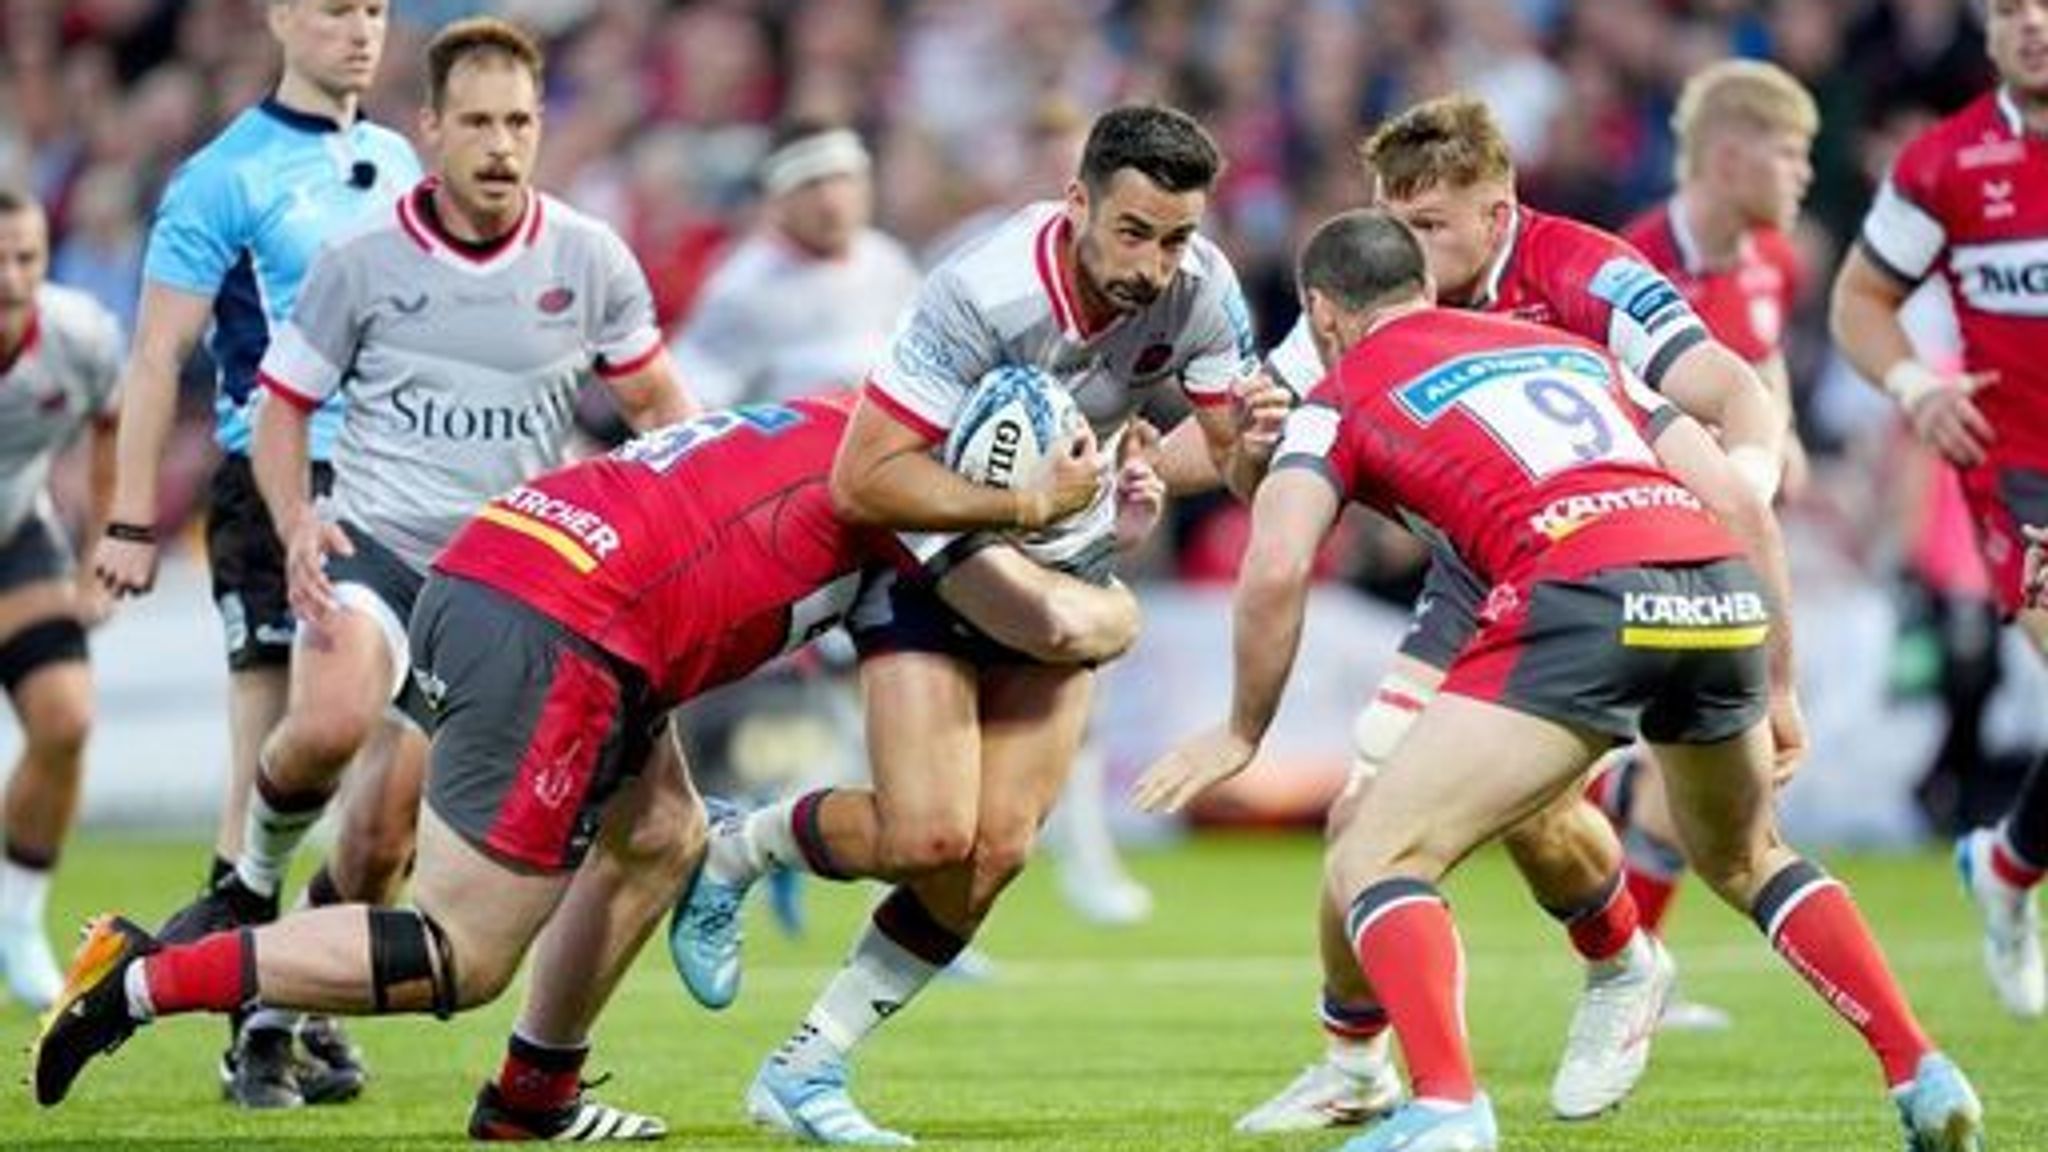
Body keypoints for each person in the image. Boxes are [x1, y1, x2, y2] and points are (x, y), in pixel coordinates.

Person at [30, 392, 1141, 1133]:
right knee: (458, 955)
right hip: (569, 632)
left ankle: (533, 1098)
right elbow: (1051, 623)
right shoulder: (922, 510)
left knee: (661, 837)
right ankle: (138, 977)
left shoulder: (850, 417)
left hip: (543, 575)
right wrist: (1095, 575)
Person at [1137, 207, 1984, 1152]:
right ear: (1422, 284)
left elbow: (1278, 562)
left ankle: (1449, 1106)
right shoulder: (1575, 353)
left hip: (1578, 593)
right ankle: (1921, 1068)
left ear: (1322, 313)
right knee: (1750, 859)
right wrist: (1779, 685)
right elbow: (1740, 499)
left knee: (1374, 851)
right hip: (1715, 588)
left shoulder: (1339, 392)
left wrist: (1243, 731)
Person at [669, 103, 1286, 1146]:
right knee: (926, 836)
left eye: (1175, 237)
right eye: (1131, 232)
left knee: (993, 851)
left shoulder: (1202, 289)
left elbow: (1219, 459)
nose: (1152, 264)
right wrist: (1025, 506)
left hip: (1064, 553)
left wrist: (1233, 453)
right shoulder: (979, 289)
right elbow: (864, 481)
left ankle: (807, 1067)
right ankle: (736, 846)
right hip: (935, 551)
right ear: (1077, 201)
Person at [156, 16, 698, 1135]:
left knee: (378, 844)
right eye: (479, 123)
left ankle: (265, 1009)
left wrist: (658, 527)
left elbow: (662, 412)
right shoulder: (365, 260)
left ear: (539, 128)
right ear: (431, 130)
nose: (501, 145)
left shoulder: (586, 256)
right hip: (383, 549)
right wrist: (300, 516)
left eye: (520, 122)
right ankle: (250, 882)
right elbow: (284, 404)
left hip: (508, 583)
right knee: (328, 716)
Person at [1234, 93, 1788, 1131]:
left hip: (1601, 562)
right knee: (1366, 817)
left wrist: (1741, 492)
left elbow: (1730, 387)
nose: (1400, 249)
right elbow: (1253, 434)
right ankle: (1357, 1063)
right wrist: (1131, 469)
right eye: (1391, 223)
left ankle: (1617, 963)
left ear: (1496, 216)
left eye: (1427, 226)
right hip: (1472, 578)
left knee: (1506, 817)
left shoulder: (1583, 271)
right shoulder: (1376, 300)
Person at [85, 0, 421, 1107]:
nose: (361, 30)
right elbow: (156, 352)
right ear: (281, 19)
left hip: (395, 483)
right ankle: (250, 1030)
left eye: (374, 8)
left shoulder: (397, 157)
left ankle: (296, 997)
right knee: (272, 753)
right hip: (270, 481)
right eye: (335, 10)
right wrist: (132, 520)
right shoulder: (222, 177)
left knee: (383, 783)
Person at [1830, 0, 2048, 1022]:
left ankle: (2007, 863)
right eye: (2008, 6)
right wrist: (1915, 387)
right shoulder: (1943, 166)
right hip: (2021, 475)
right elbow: (1856, 303)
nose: (2032, 22)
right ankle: (2006, 867)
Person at [1598, 58, 1817, 1032]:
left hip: (1726, 539)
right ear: (1728, 158)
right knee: (1684, 773)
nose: (1803, 173)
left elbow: (1756, 359)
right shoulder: (1633, 264)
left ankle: (1632, 974)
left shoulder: (1771, 258)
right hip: (1643, 538)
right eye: (1789, 153)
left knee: (1675, 778)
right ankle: (1628, 970)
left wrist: (1786, 437)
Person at [0, 190, 121, 1010]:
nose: (12, 279)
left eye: (28, 258)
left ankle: (15, 924)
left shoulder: (80, 336)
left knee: (67, 719)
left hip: (16, 535)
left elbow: (116, 423)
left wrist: (103, 546)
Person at [667, 118, 920, 410]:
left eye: (842, 178)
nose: (830, 200)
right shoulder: (742, 291)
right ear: (777, 200)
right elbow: (693, 404)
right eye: (810, 185)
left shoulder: (888, 259)